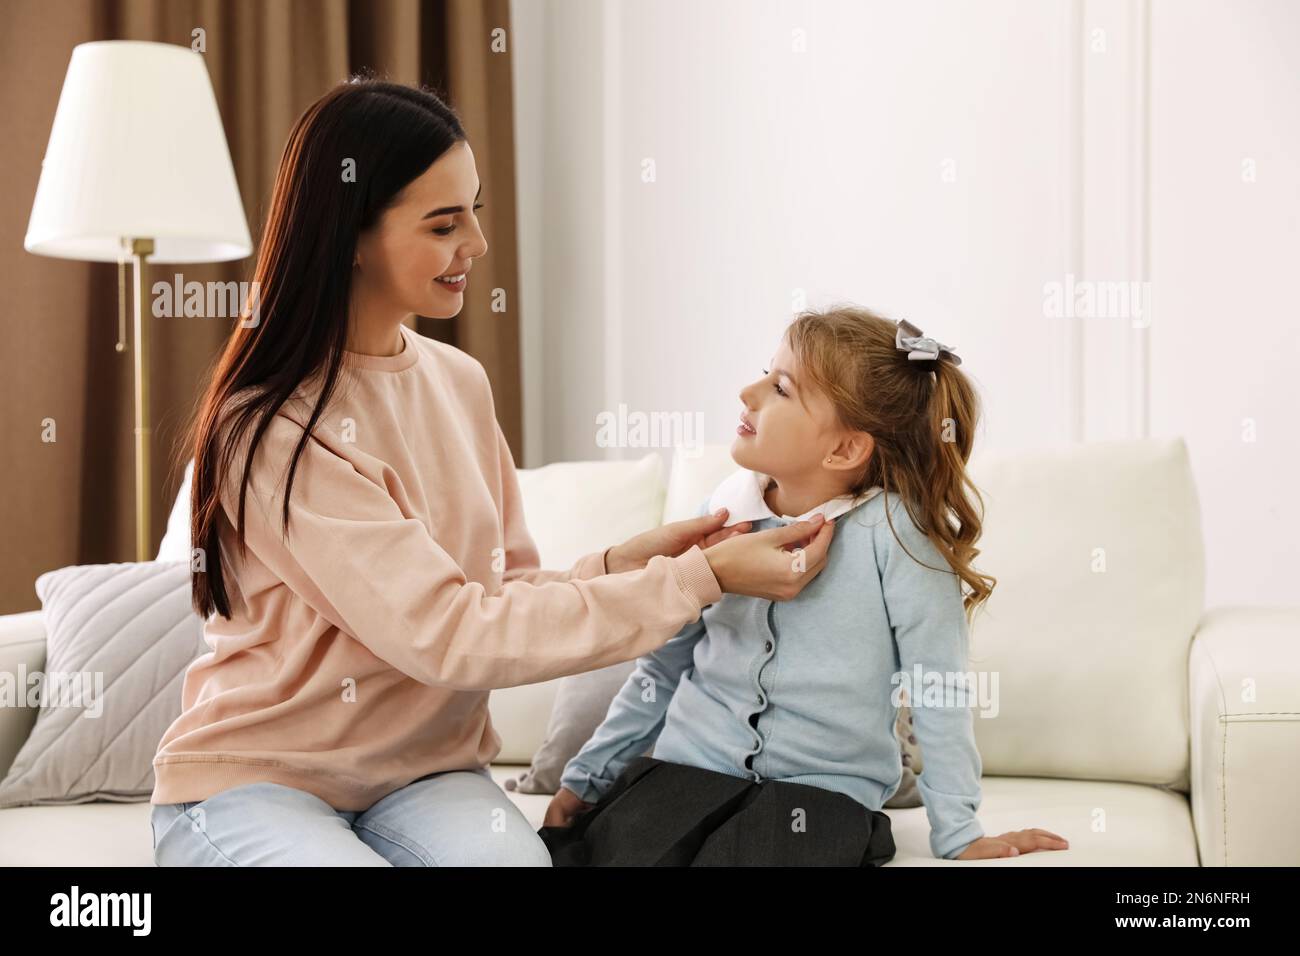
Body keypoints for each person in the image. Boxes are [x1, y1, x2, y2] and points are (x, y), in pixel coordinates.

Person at [149, 79, 834, 867]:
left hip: (425, 777)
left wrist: (635, 564)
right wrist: (697, 581)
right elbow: (447, 635)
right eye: (444, 223)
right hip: (258, 782)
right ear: (351, 236)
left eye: (474, 211)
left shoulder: (458, 381)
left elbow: (497, 597)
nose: (474, 243)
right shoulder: (271, 429)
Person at [541, 307, 1071, 865]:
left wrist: (959, 830)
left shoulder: (895, 534)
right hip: (687, 770)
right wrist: (588, 779)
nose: (748, 393)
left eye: (781, 388)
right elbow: (663, 666)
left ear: (844, 450)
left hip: (820, 794)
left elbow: (937, 688)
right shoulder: (723, 510)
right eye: (764, 374)